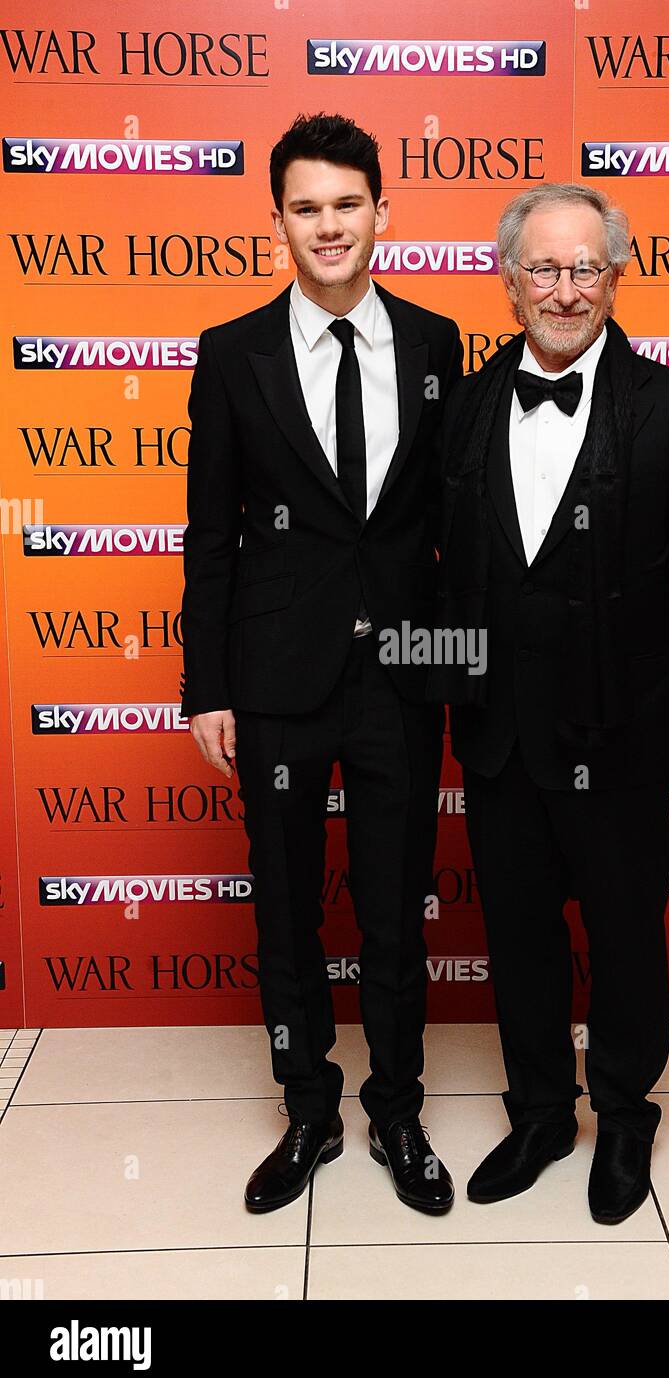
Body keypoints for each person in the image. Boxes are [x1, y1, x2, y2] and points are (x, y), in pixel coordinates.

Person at [429, 183, 669, 1222]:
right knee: (518, 933)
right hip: (498, 734)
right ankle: (536, 1112)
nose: (562, 291)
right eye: (542, 268)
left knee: (620, 934)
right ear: (507, 278)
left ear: (613, 277)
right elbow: (435, 570)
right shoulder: (469, 401)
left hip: (623, 730)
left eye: (583, 269)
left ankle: (621, 1112)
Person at [179, 112, 463, 1215]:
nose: (329, 224)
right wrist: (207, 682)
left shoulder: (439, 344)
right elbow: (208, 535)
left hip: (401, 675)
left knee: (396, 909)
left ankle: (397, 1110)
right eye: (307, 207)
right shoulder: (231, 352)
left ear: (382, 212)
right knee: (286, 906)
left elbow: (454, 528)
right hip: (276, 679)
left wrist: (462, 664)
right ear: (278, 222)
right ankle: (308, 1108)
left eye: (348, 203)